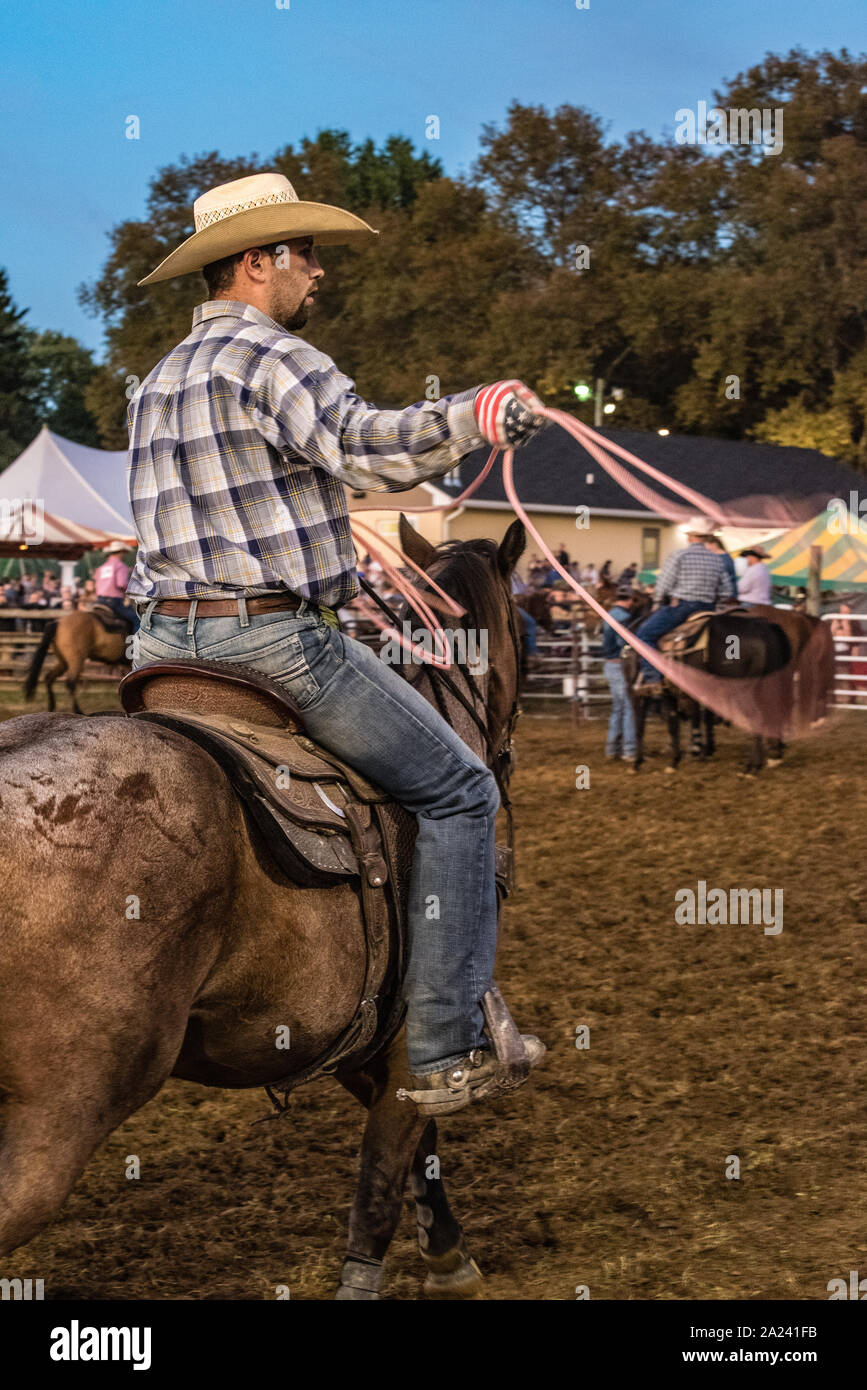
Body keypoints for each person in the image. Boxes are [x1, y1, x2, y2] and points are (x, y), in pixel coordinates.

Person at [127, 169, 546, 1116]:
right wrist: (473, 415)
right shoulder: (269, 356)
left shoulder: (154, 383)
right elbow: (364, 447)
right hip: (272, 642)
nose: (317, 271)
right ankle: (444, 1039)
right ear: (256, 261)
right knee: (459, 790)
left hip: (162, 650)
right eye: (304, 253)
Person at [633, 518, 734, 692]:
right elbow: (727, 590)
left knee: (643, 635)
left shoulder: (679, 556)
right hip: (709, 608)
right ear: (706, 537)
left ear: (690, 537)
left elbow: (664, 583)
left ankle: (652, 677)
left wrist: (657, 601)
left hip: (682, 607)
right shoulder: (717, 560)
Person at [601, 588, 638, 762]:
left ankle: (612, 749)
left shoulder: (609, 614)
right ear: (630, 600)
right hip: (620, 665)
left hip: (610, 664)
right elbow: (622, 642)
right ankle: (629, 750)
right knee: (629, 706)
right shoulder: (624, 618)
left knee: (618, 707)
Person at [94, 541, 138, 631]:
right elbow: (121, 584)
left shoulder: (102, 567)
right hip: (114, 602)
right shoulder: (121, 566)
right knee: (137, 619)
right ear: (121, 552)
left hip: (100, 601)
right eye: (125, 553)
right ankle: (136, 644)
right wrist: (133, 591)